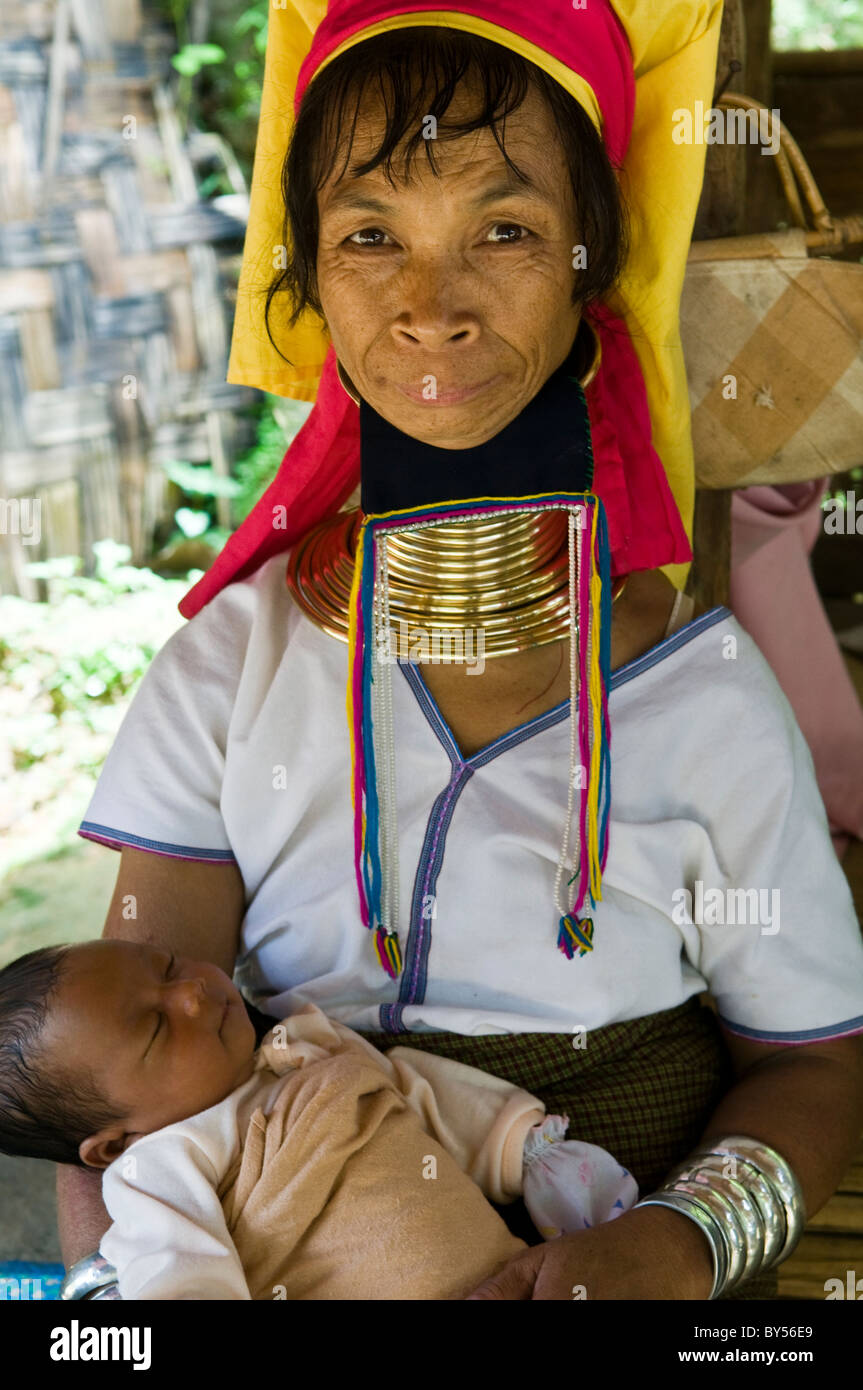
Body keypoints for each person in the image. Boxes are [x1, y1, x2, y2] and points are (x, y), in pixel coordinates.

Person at [57, 2, 863, 1303]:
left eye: (503, 229)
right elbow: (118, 1070)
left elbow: (811, 1064)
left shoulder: (704, 701)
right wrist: (119, 1298)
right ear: (309, 273)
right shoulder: (229, 671)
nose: (430, 308)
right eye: (370, 235)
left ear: (586, 264)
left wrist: (673, 1242)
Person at [0, 939, 637, 1298]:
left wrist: (519, 1147)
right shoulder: (159, 1167)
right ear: (113, 1145)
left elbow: (411, 1095)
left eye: (167, 966)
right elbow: (179, 1278)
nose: (191, 993)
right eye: (156, 1028)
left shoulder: (305, 1044)